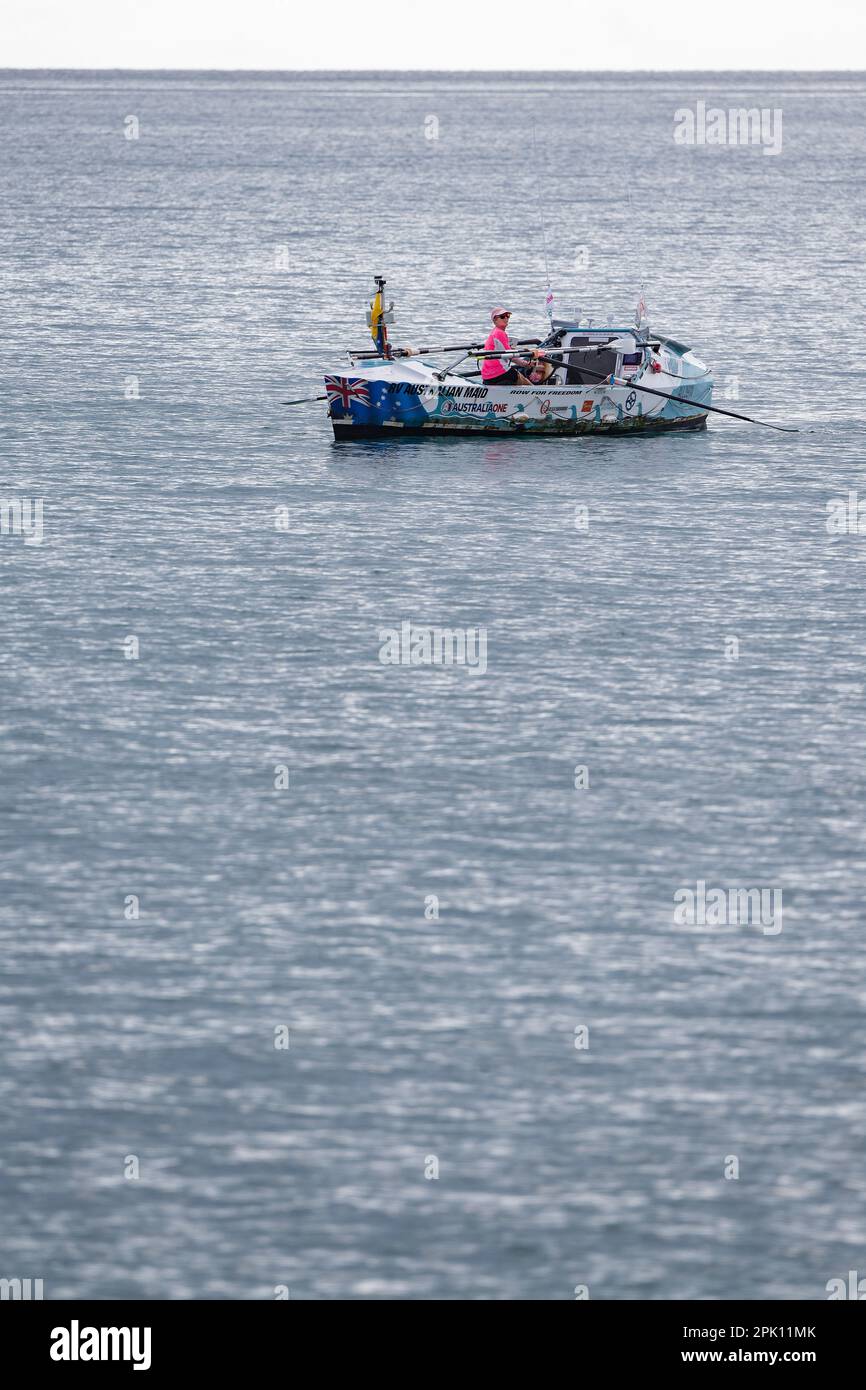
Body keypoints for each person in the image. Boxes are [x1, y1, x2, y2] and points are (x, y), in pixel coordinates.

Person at [481, 308, 536, 387]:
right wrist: (526, 364)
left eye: (508, 316)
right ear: (495, 320)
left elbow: (506, 351)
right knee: (529, 386)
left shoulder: (494, 332)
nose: (506, 318)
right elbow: (511, 356)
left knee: (516, 371)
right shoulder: (500, 333)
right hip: (500, 373)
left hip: (487, 376)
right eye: (502, 316)